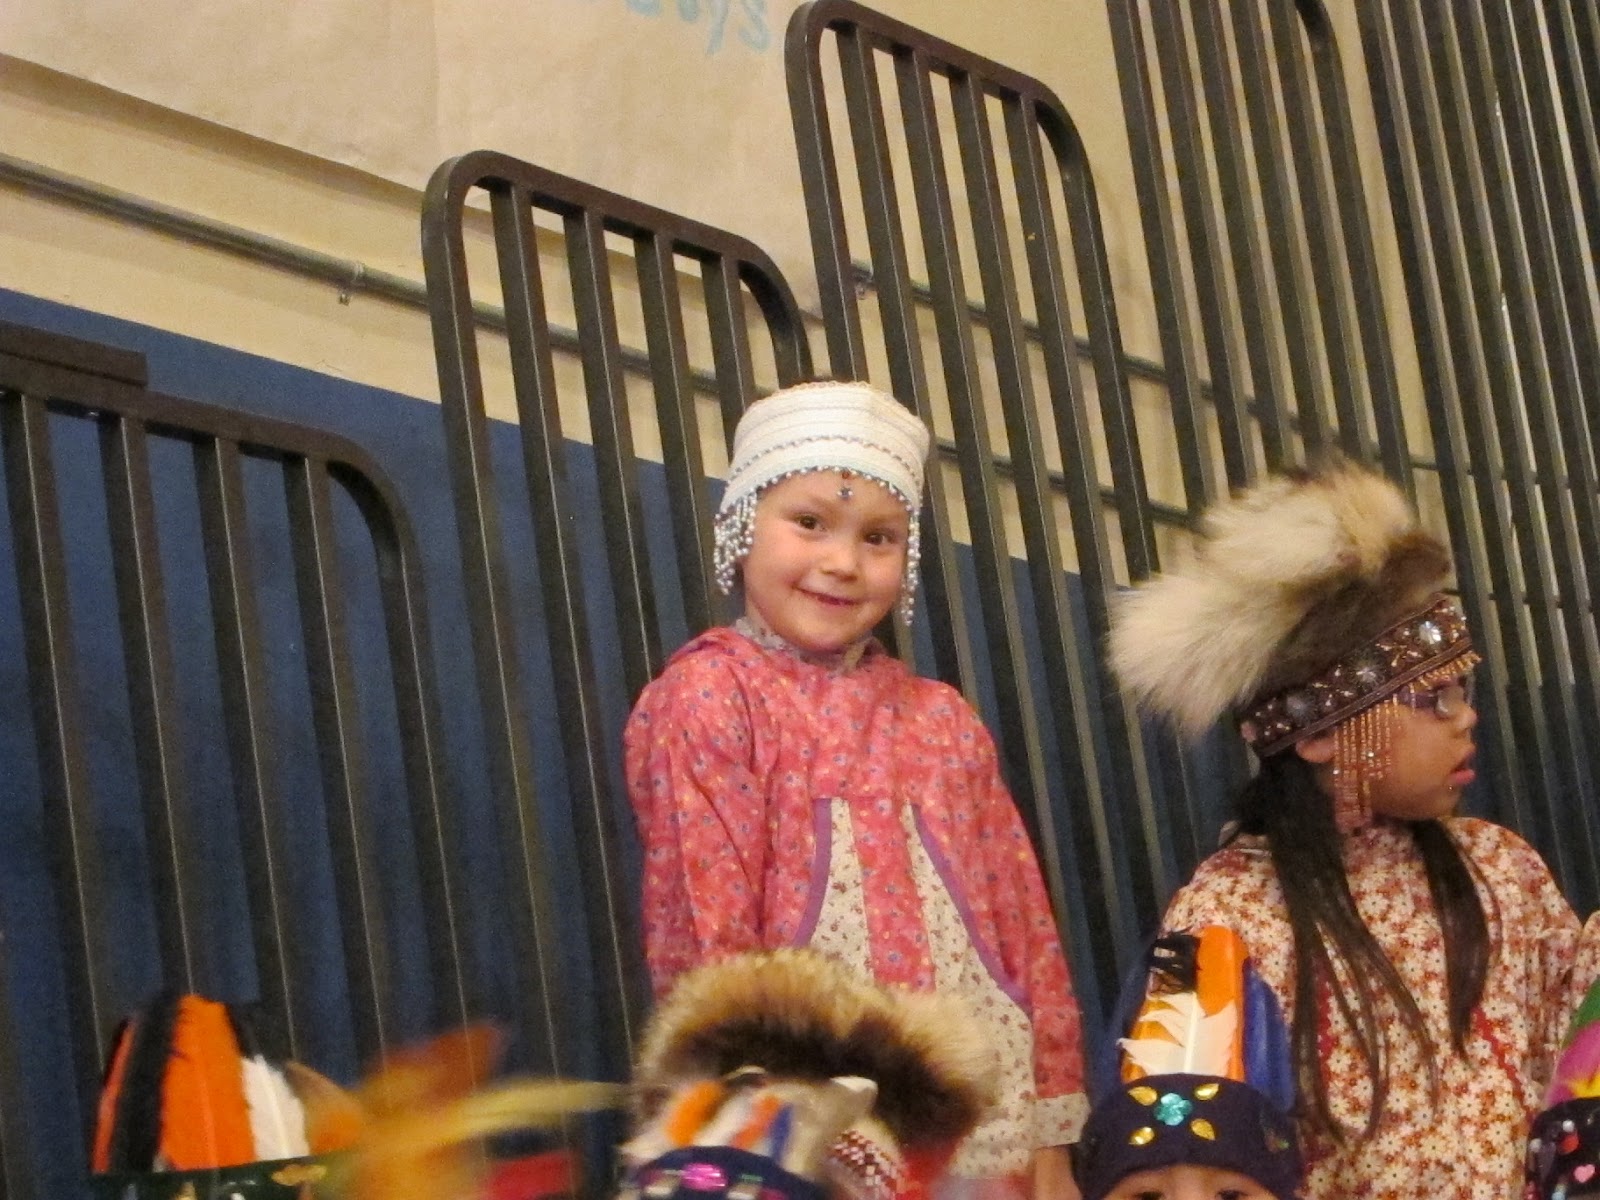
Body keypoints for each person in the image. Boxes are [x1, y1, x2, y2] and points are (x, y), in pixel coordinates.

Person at [624, 380, 1088, 1196]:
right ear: (741, 523)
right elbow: (710, 944)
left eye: (878, 537)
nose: (842, 562)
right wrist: (743, 1133)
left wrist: (1051, 1128)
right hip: (799, 1134)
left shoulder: (941, 719)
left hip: (982, 1129)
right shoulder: (711, 696)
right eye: (809, 522)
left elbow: (1027, 929)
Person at [1107, 462, 1589, 1199]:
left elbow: (1577, 1057)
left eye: (1463, 690)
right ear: (1321, 733)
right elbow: (1182, 1153)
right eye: (1433, 698)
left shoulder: (1503, 866)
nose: (1466, 716)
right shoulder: (1220, 913)